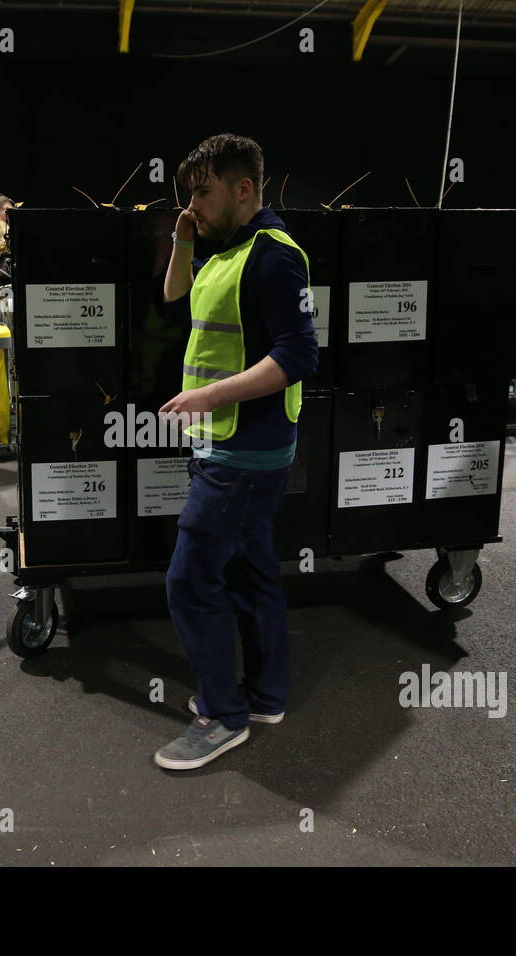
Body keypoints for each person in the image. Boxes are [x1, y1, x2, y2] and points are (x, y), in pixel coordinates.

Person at [154, 133, 318, 770]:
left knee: (191, 582)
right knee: (251, 574)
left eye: (203, 190)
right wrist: (184, 238)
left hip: (241, 457)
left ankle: (222, 716)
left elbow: (300, 355)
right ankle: (267, 697)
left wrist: (207, 398)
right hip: (226, 447)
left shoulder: (275, 257)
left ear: (243, 188)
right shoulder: (228, 253)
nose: (194, 201)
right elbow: (173, 298)